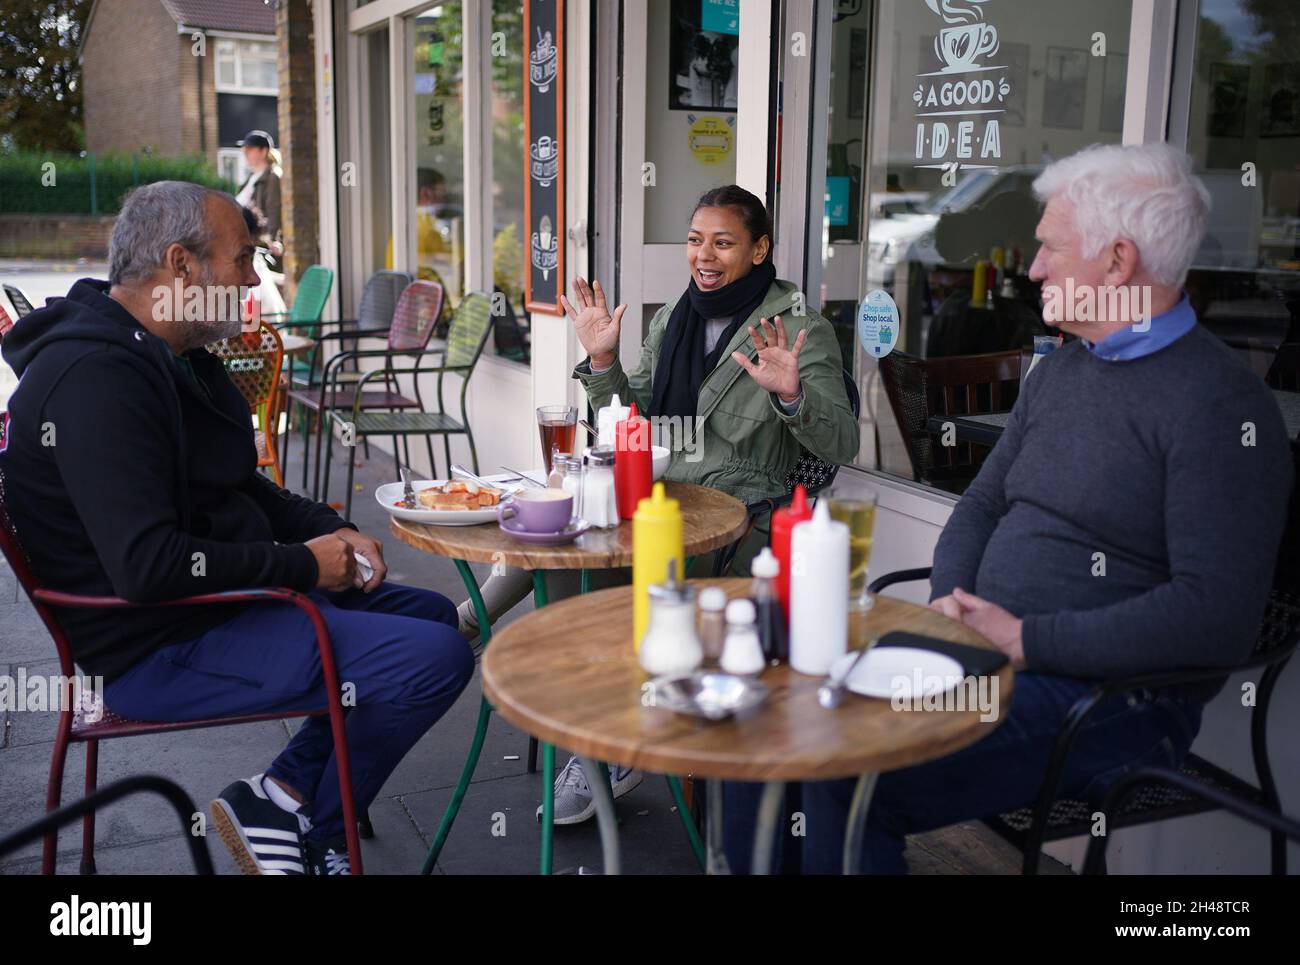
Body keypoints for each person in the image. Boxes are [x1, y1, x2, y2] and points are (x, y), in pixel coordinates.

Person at [723, 143, 1293, 873]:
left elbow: (1213, 617)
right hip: (981, 656)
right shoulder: (1063, 370)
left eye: (1051, 248)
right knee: (762, 720)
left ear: (1118, 262)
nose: (1034, 269)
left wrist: (1025, 639)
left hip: (1115, 704)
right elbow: (984, 501)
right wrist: (950, 606)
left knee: (846, 768)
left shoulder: (1220, 406)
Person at [0, 181, 474, 875]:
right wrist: (304, 565)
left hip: (212, 610)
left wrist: (332, 529)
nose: (254, 280)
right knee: (434, 659)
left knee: (431, 615)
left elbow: (240, 483)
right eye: (243, 258)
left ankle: (281, 798)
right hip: (157, 645)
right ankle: (320, 829)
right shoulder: (96, 379)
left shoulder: (167, 354)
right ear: (181, 264)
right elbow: (147, 567)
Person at [459, 183, 859, 825]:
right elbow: (633, 419)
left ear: (759, 250)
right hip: (663, 495)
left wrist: (791, 396)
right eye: (696, 240)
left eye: (723, 242)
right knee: (562, 532)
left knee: (583, 567)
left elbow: (841, 442)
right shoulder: (677, 313)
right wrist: (602, 361)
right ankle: (596, 726)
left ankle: (579, 721)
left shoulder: (799, 328)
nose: (705, 255)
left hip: (738, 516)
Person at [235, 130, 283, 270]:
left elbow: (274, 210)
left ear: (263, 151)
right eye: (244, 149)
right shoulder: (250, 178)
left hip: (261, 246)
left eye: (250, 148)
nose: (245, 152)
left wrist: (273, 240)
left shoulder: (273, 177)